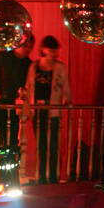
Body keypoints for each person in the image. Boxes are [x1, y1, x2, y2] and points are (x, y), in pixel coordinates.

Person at [19, 35, 70, 183]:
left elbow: (65, 86)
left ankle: (52, 176)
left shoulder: (60, 67)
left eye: (55, 51)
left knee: (53, 144)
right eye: (51, 50)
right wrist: (27, 107)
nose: (53, 54)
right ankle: (42, 175)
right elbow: (29, 87)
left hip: (53, 108)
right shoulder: (34, 66)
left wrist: (68, 100)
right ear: (43, 50)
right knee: (41, 144)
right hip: (38, 108)